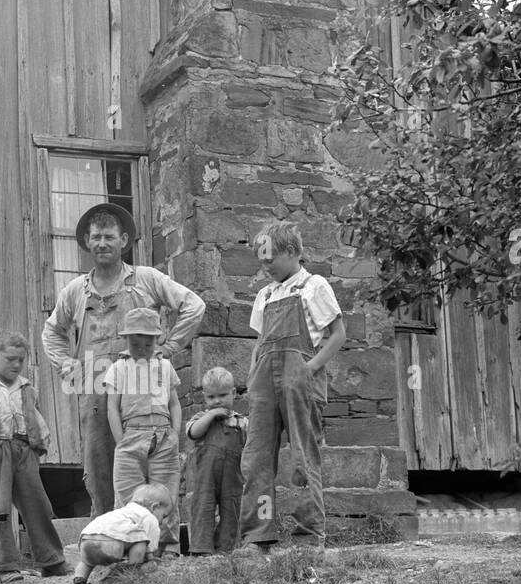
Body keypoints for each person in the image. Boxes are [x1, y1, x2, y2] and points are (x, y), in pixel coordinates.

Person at [42, 202, 204, 517]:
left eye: (109, 237)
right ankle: (110, 535)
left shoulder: (146, 279)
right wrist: (65, 363)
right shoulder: (76, 291)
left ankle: (156, 538)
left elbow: (193, 306)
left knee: (152, 463)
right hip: (97, 390)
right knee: (101, 465)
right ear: (87, 242)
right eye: (96, 237)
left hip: (145, 392)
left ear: (124, 242)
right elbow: (52, 332)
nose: (102, 243)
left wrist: (169, 348)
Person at [238, 222, 346, 553]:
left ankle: (308, 537)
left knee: (302, 457)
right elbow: (261, 341)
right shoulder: (265, 294)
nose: (265, 265)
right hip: (264, 383)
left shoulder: (314, 286)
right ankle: (258, 536)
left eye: (270, 257)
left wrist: (309, 369)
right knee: (257, 459)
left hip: (298, 380)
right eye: (260, 259)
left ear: (292, 252)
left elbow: (338, 334)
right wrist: (252, 374)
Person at [0, 331, 70, 584]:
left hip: (24, 451)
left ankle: (51, 560)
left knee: (38, 505)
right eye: (10, 359)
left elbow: (36, 418)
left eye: (21, 359)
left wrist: (38, 446)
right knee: (0, 509)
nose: (16, 365)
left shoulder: (27, 388)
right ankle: (7, 565)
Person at [103, 307, 183, 557]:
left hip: (162, 435)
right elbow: (112, 408)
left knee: (166, 491)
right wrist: (120, 441)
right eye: (135, 343)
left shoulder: (165, 367)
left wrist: (175, 434)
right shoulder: (118, 368)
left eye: (148, 344)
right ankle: (129, 547)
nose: (141, 349)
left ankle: (168, 547)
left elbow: (174, 403)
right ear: (126, 340)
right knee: (128, 492)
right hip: (131, 435)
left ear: (157, 340)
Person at [185, 366, 247, 554]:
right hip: (206, 476)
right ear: (204, 397)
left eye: (222, 395)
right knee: (203, 506)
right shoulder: (200, 418)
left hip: (233, 475)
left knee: (232, 508)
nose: (217, 401)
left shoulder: (241, 421)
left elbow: (249, 445)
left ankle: (225, 547)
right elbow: (193, 433)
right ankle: (201, 547)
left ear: (234, 393)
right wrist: (211, 415)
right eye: (211, 397)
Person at [72, 483, 172, 584]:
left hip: (86, 537)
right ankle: (134, 569)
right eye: (164, 516)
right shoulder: (149, 517)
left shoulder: (124, 512)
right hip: (111, 543)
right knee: (142, 539)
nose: (162, 521)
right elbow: (150, 544)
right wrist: (150, 558)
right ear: (155, 507)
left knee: (87, 562)